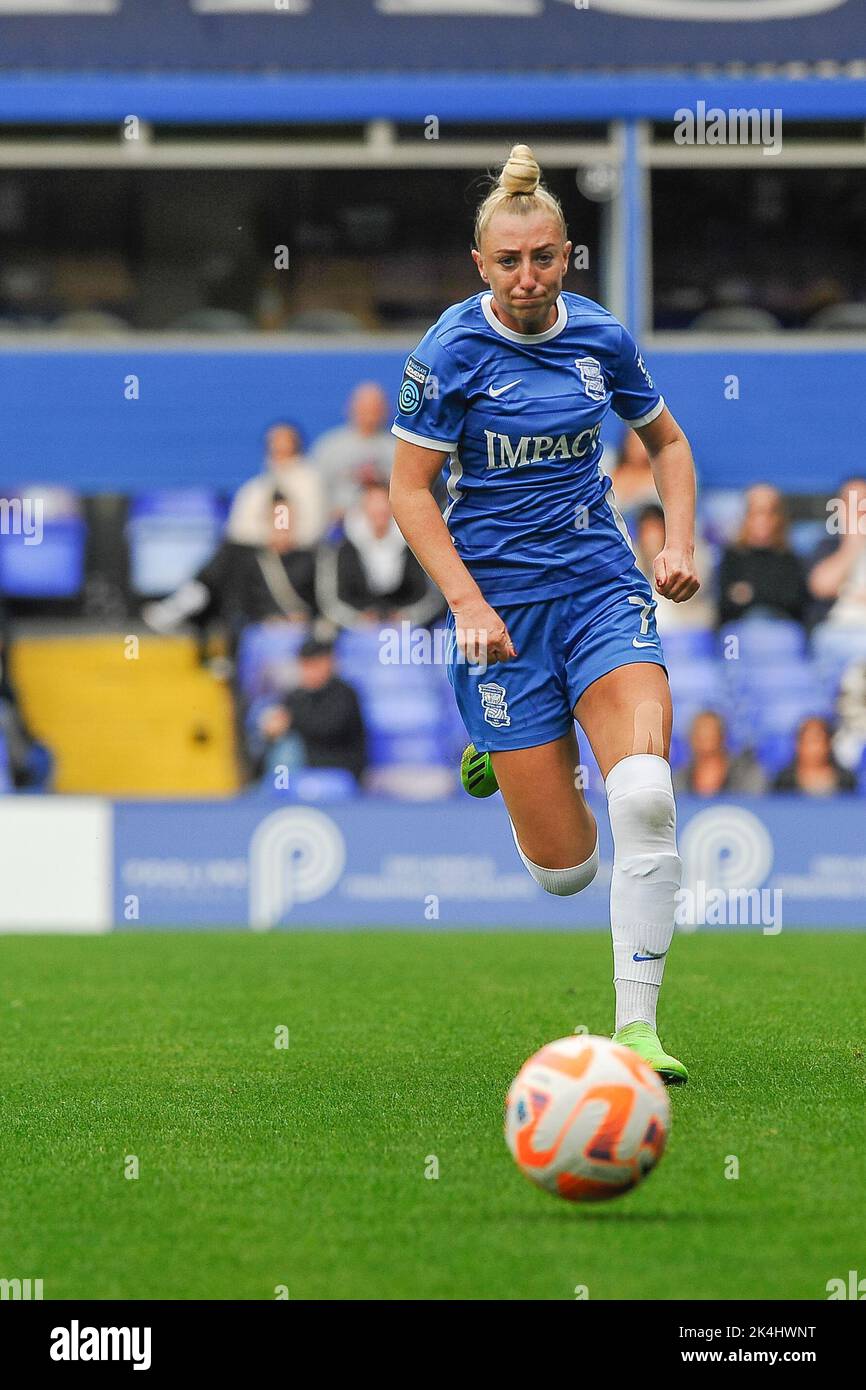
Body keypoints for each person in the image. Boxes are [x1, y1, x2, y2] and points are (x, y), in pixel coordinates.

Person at [389, 144, 700, 1084]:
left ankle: (636, 1030)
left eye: (546, 257)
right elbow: (409, 491)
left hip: (603, 593)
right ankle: (502, 746)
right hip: (500, 623)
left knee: (644, 795)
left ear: (569, 256)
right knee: (565, 870)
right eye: (509, 261)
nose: (529, 277)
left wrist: (677, 542)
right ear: (480, 266)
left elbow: (670, 444)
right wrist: (467, 603)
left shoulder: (602, 337)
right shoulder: (448, 352)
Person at [143, 499, 316, 644]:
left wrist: (300, 618)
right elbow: (243, 604)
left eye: (285, 521)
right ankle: (191, 596)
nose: (281, 528)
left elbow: (321, 601)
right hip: (263, 632)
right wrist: (266, 620)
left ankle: (187, 598)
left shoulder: (310, 558)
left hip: (302, 630)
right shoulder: (256, 560)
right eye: (276, 520)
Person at [314, 479, 444, 630]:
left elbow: (433, 595)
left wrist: (406, 617)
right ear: (363, 508)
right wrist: (358, 619)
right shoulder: (341, 547)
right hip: (355, 633)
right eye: (373, 504)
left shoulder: (415, 544)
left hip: (410, 630)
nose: (379, 510)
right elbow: (330, 599)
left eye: (383, 503)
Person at [254, 636, 366, 786]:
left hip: (338, 766)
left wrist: (290, 722)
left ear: (329, 663)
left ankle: (277, 794)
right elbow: (281, 723)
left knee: (288, 750)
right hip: (303, 765)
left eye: (314, 665)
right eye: (305, 665)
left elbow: (329, 729)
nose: (309, 672)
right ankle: (273, 793)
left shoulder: (345, 693)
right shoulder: (296, 695)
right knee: (281, 746)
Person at [717, 484, 809, 628]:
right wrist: (771, 592)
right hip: (741, 630)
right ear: (745, 516)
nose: (762, 520)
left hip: (781, 629)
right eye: (755, 512)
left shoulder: (789, 558)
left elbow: (795, 603)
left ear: (779, 517)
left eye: (769, 512)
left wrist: (748, 593)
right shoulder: (732, 557)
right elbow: (725, 605)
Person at [226, 422, 327, 548]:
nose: (280, 446)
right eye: (275, 442)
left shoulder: (312, 482)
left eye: (286, 442)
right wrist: (269, 536)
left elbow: (314, 527)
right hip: (257, 553)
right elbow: (238, 529)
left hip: (301, 556)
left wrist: (287, 539)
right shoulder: (256, 487)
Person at [311, 382, 395, 519]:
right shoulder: (330, 447)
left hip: (388, 525)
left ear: (386, 410)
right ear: (351, 408)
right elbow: (315, 490)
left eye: (375, 408)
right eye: (364, 408)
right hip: (338, 524)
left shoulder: (397, 448)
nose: (369, 414)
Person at [634, 504, 716, 633]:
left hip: (684, 620)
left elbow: (697, 588)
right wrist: (652, 555)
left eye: (655, 529)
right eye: (646, 531)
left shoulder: (692, 552)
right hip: (646, 622)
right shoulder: (633, 555)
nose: (651, 536)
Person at [673, 710, 766, 796]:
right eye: (699, 734)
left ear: (722, 737)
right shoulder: (678, 780)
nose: (704, 737)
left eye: (709, 734)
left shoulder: (746, 774)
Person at [773, 715, 857, 795]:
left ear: (828, 744)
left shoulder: (846, 780)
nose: (812, 748)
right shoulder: (783, 781)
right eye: (807, 741)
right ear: (798, 744)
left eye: (816, 741)